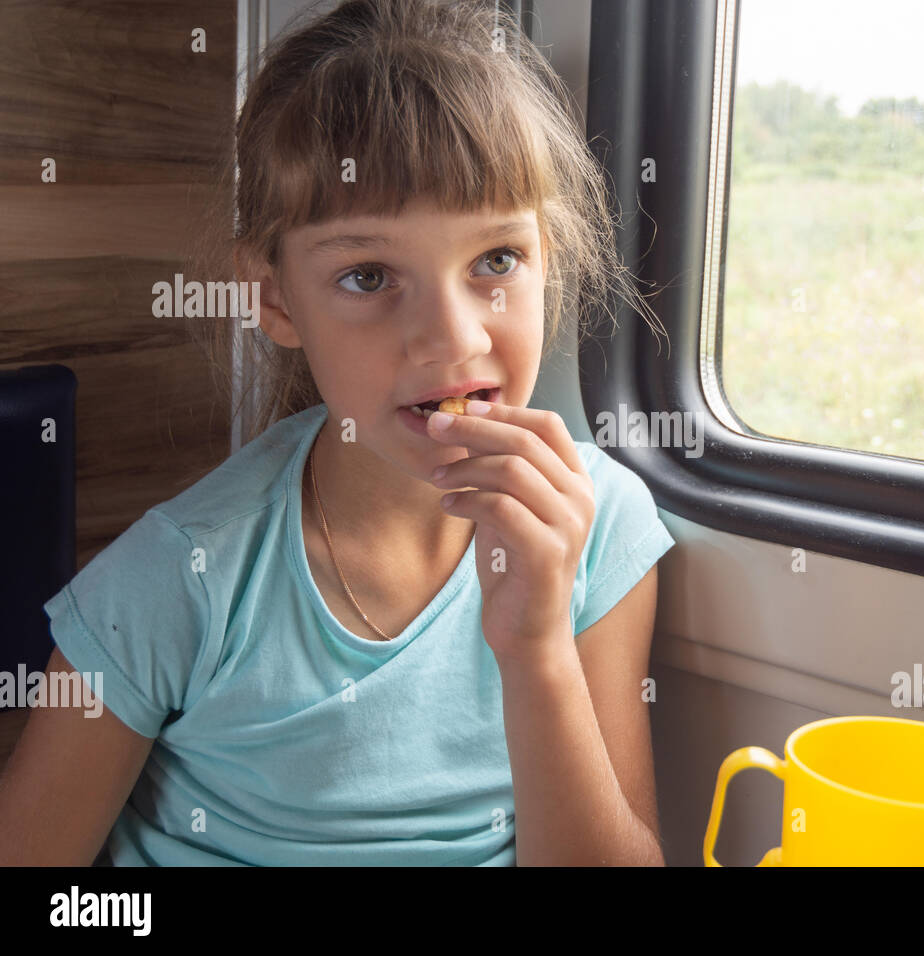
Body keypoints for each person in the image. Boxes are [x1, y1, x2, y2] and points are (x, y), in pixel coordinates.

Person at [0, 0, 674, 866]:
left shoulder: (600, 524)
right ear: (276, 300)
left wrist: (537, 646)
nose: (455, 336)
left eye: (496, 261)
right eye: (369, 275)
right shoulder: (181, 574)